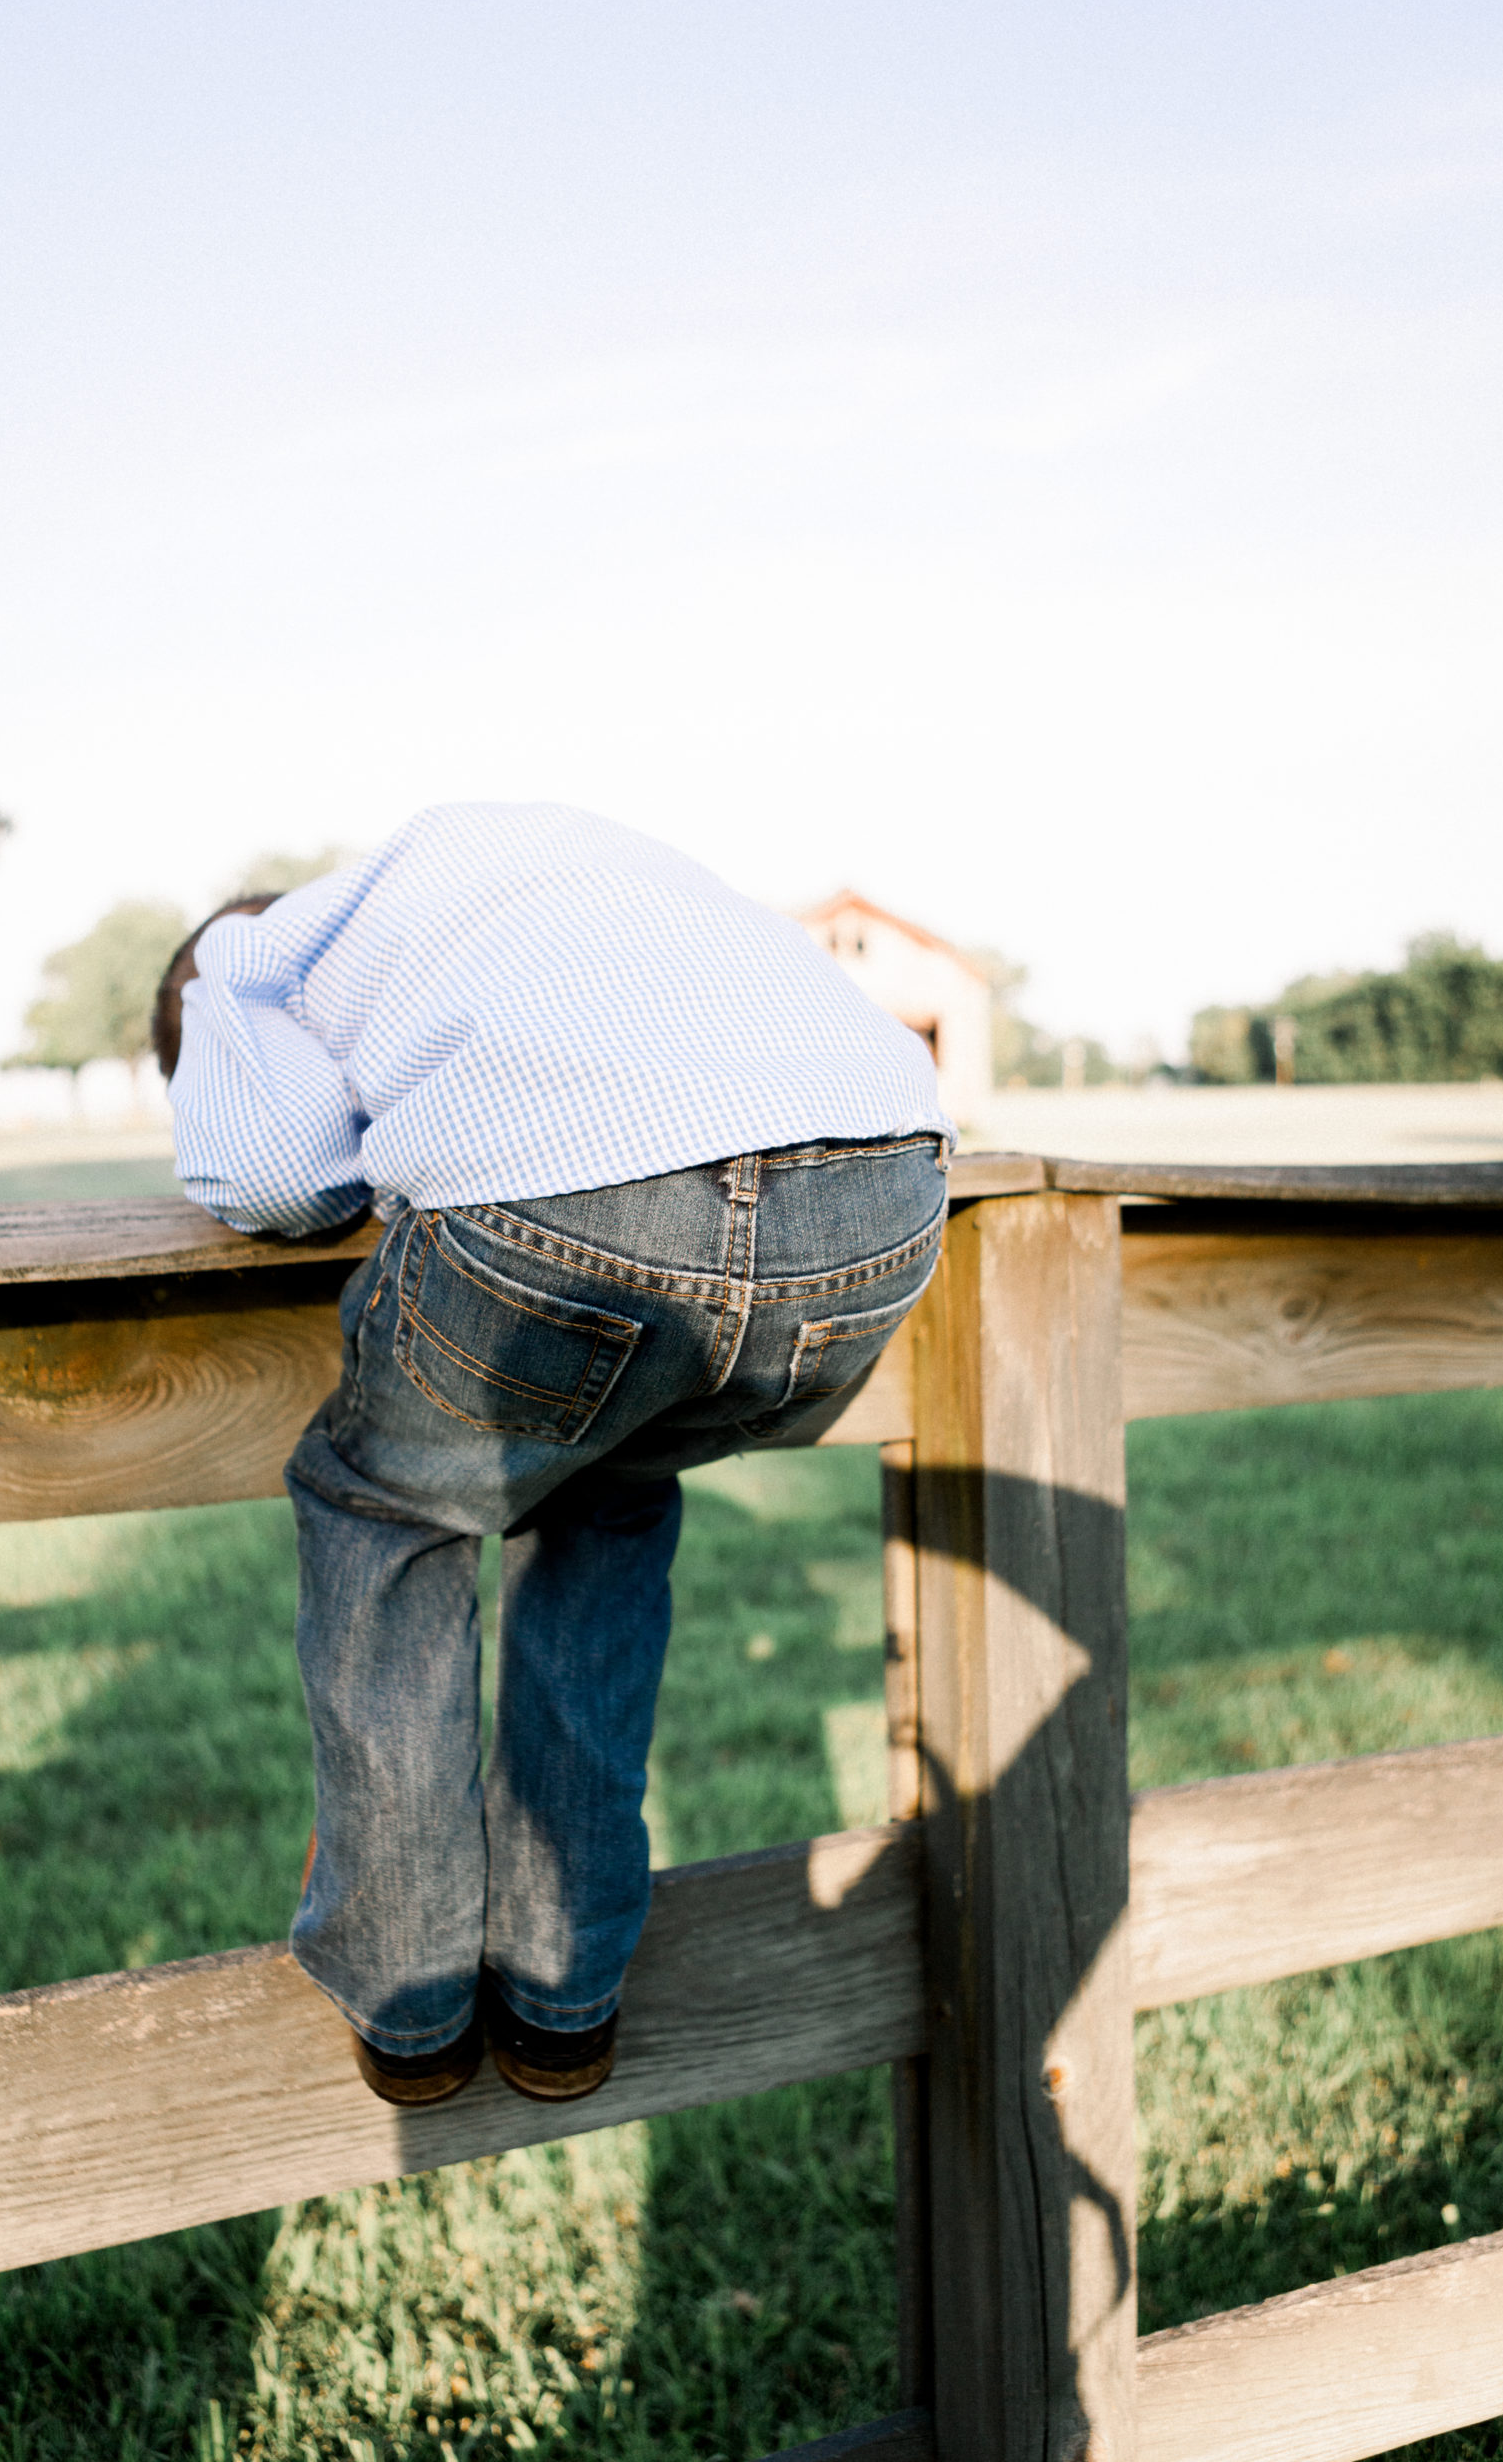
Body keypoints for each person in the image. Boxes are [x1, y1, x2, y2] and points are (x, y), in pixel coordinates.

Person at [154, 803, 950, 2108]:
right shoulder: (495, 881)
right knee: (610, 1485)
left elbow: (280, 1181)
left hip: (588, 1200)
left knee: (384, 1509)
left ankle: (411, 1996)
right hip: (876, 1206)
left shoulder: (246, 959)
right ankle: (562, 1998)